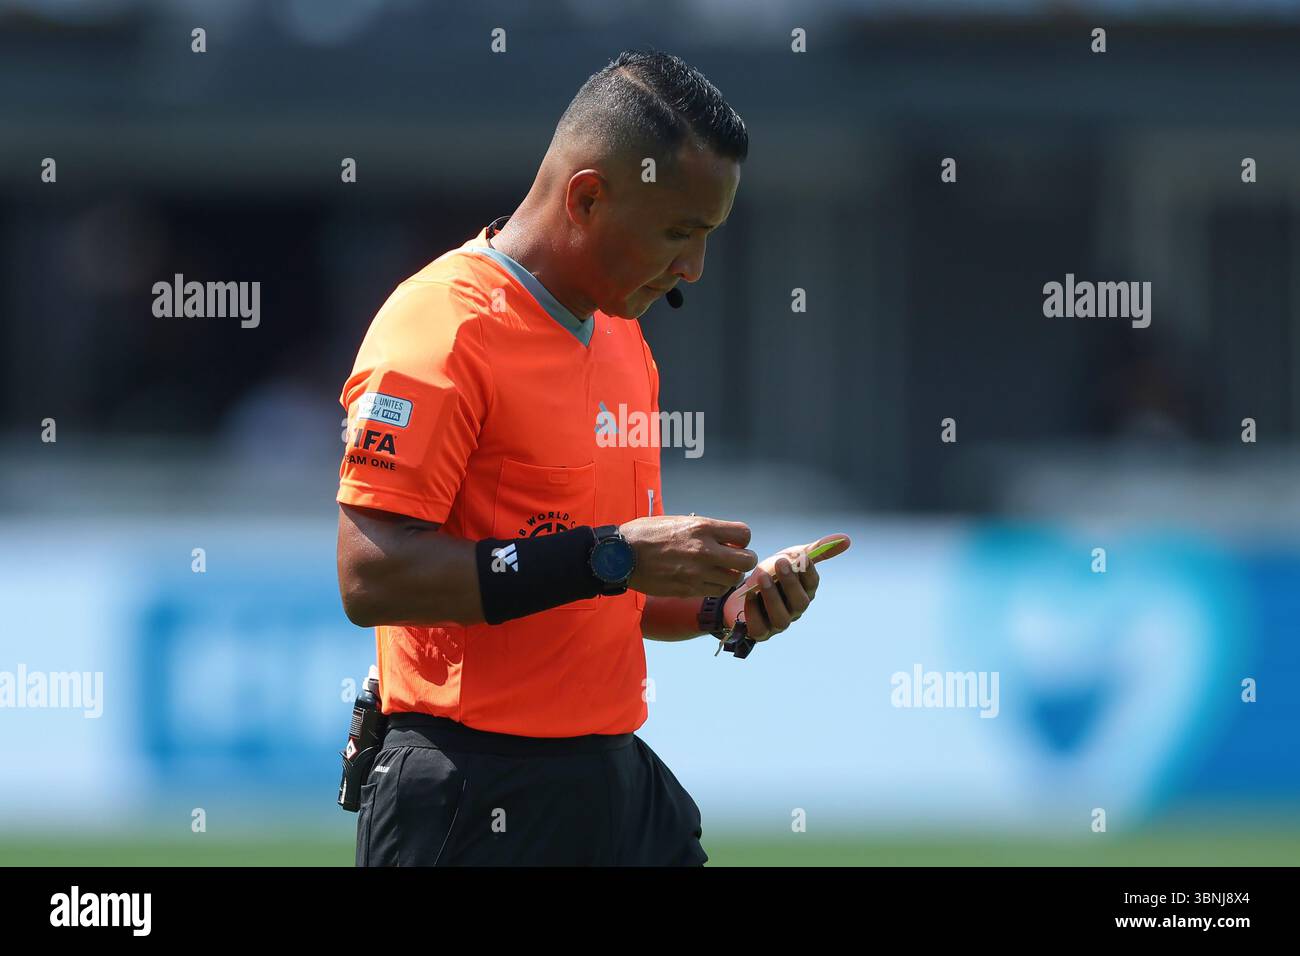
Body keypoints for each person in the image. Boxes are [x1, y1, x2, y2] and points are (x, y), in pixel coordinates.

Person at [336, 49, 827, 866]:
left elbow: (612, 591)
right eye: (679, 233)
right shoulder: (437, 332)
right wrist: (612, 556)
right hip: (472, 793)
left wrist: (722, 607)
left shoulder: (625, 340)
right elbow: (371, 577)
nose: (693, 270)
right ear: (588, 196)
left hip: (613, 787)